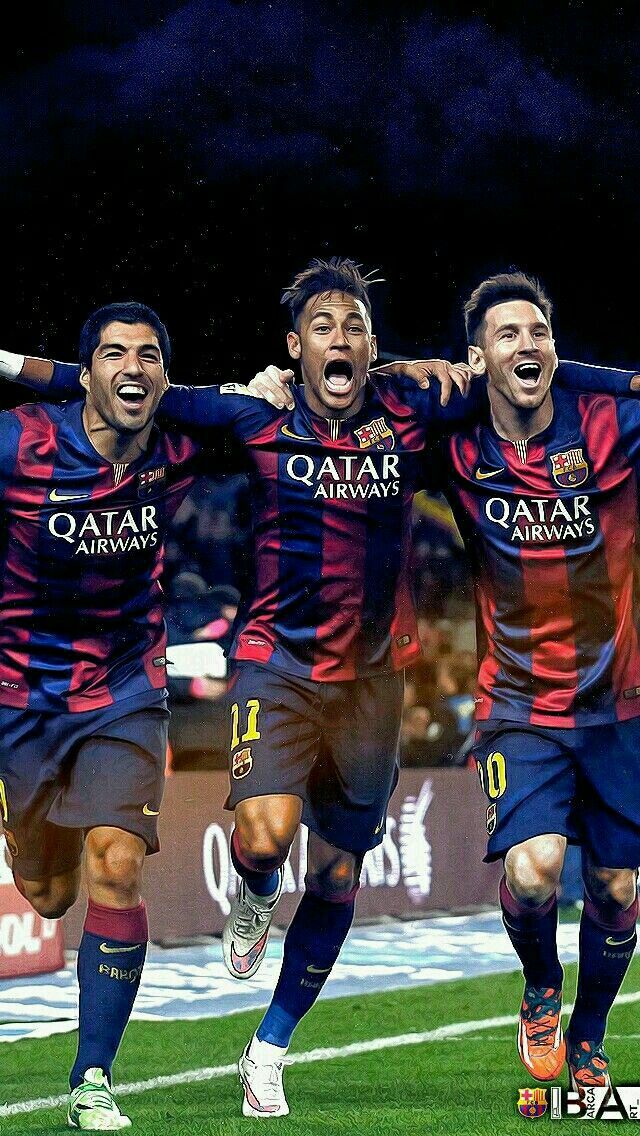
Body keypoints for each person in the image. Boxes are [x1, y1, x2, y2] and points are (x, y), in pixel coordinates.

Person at [0, 301, 286, 1130]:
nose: (134, 368)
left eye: (150, 356)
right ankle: (27, 832)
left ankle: (92, 1077)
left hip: (126, 689)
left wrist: (263, 385)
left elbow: (261, 410)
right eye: (115, 355)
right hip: (21, 699)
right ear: (83, 373)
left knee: (117, 865)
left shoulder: (177, 443)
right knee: (48, 895)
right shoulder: (19, 442)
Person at [424, 273, 640, 1094]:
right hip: (518, 704)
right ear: (476, 357)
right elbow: (371, 403)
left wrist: (584, 371)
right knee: (533, 867)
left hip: (621, 702)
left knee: (618, 887)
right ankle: (542, 986)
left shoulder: (609, 426)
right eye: (507, 334)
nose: (528, 344)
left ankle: (590, 1033)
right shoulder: (456, 446)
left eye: (539, 332)